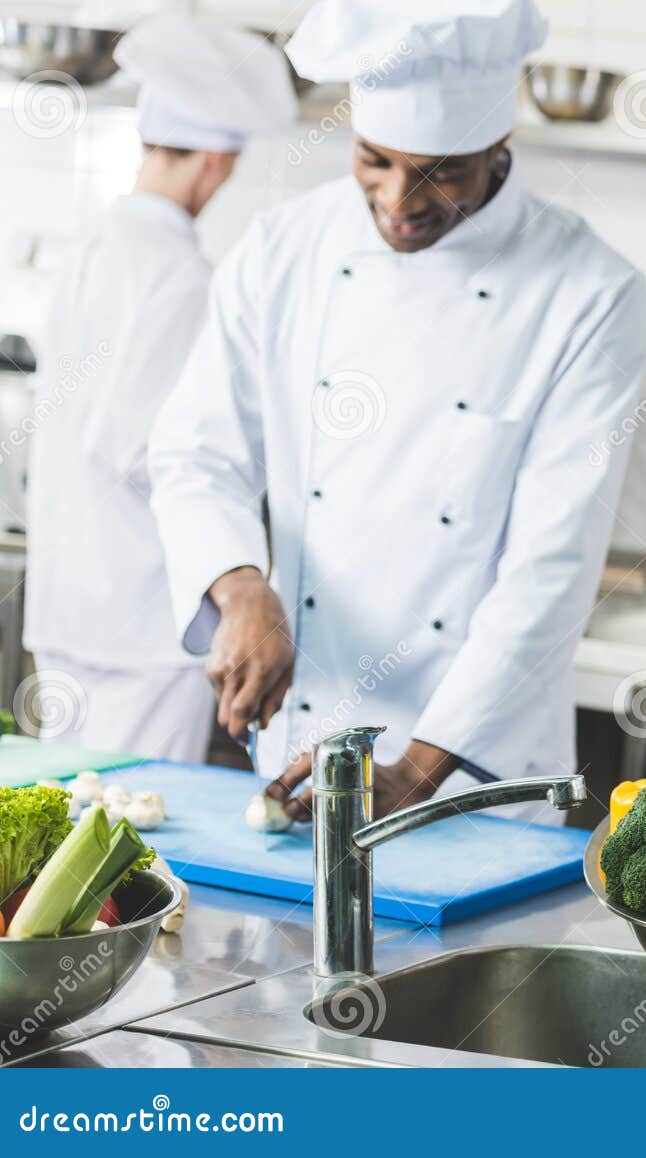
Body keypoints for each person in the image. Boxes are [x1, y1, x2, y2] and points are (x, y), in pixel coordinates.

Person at [146, 0, 646, 817]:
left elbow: (550, 570)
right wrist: (242, 591)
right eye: (374, 159)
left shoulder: (589, 290)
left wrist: (415, 772)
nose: (398, 198)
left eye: (441, 171)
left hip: (476, 778)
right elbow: (196, 454)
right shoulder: (284, 248)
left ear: (498, 148)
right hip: (303, 745)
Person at [23, 16, 298, 761]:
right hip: (137, 619)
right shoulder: (181, 278)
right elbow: (147, 446)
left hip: (71, 606)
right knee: (125, 839)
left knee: (59, 837)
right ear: (217, 159)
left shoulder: (92, 247)